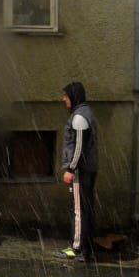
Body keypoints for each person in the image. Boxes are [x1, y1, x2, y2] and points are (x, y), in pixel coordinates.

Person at [54, 81, 98, 262]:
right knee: (84, 209)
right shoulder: (85, 113)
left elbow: (79, 146)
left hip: (80, 171)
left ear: (73, 96)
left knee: (78, 210)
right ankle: (85, 247)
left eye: (66, 95)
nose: (64, 99)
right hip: (87, 169)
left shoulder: (79, 117)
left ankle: (77, 248)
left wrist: (71, 168)